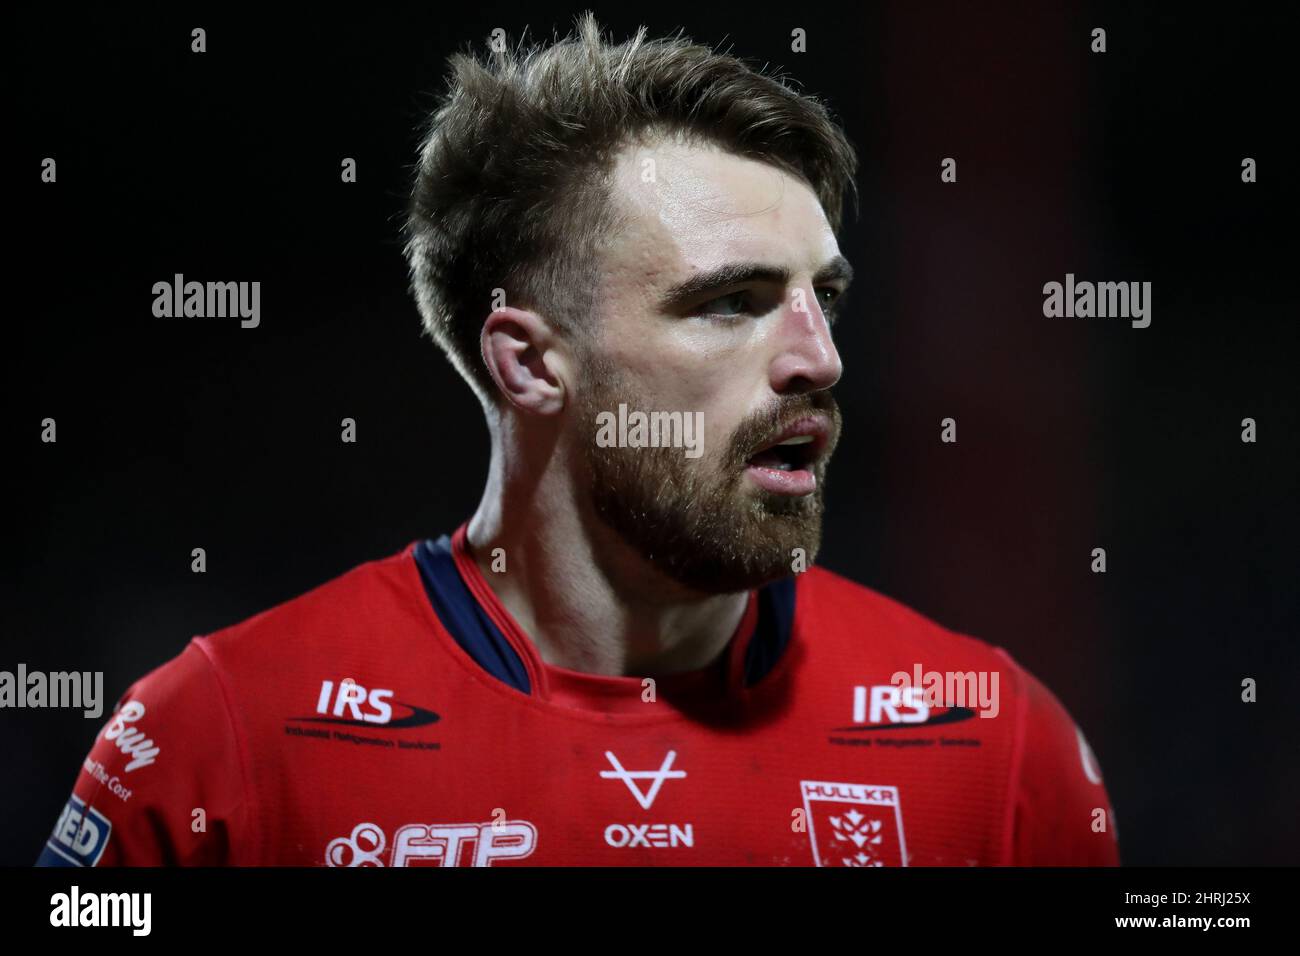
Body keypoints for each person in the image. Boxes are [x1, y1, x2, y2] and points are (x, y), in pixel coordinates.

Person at [37, 13, 1119, 867]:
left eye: (819, 297)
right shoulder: (221, 736)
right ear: (529, 362)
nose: (818, 357)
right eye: (731, 301)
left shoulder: (990, 739)